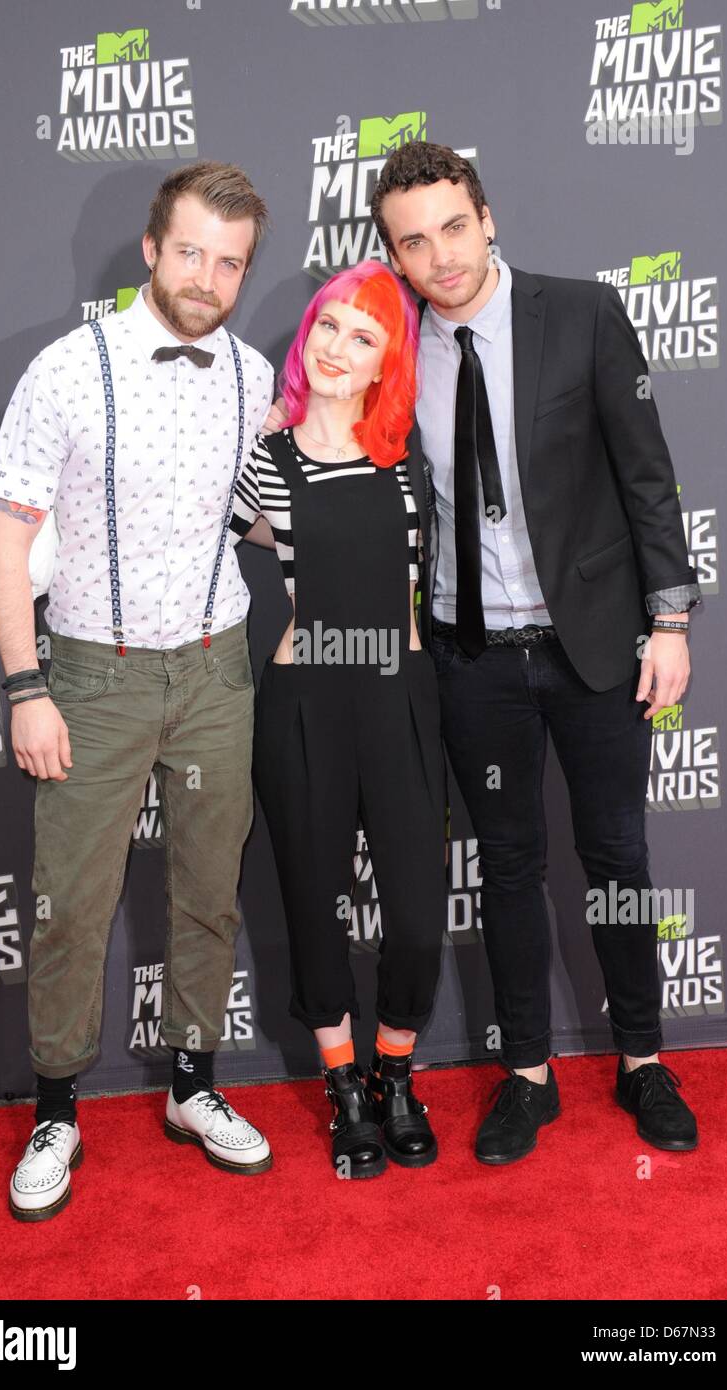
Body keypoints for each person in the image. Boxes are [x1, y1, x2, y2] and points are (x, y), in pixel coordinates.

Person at [361, 141, 701, 1164]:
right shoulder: (392, 353)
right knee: (506, 867)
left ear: (487, 216)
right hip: (472, 657)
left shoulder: (584, 313)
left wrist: (671, 622)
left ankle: (642, 1058)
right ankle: (526, 1074)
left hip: (593, 642)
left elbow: (648, 477)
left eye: (453, 227)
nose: (441, 256)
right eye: (412, 241)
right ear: (394, 255)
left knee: (617, 857)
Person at [0, 161, 276, 1223]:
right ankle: (57, 1107)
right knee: (74, 904)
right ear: (150, 250)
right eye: (190, 250)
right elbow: (9, 536)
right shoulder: (65, 370)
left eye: (230, 261)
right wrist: (26, 687)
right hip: (91, 676)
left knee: (208, 889)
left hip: (214, 666)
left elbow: (254, 515)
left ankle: (196, 1087)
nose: (206, 276)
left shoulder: (252, 374)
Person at [231, 262, 448, 1178]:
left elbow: (417, 592)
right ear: (307, 336)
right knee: (313, 909)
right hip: (304, 702)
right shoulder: (264, 462)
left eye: (365, 337)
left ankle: (395, 1071)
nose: (337, 348)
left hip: (395, 695)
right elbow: (223, 545)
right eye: (329, 326)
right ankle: (344, 1090)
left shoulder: (407, 468)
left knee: (414, 912)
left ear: (383, 364)